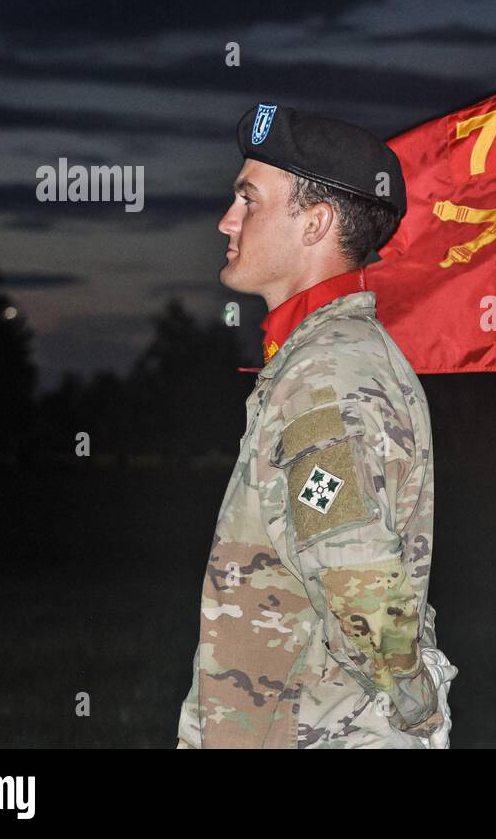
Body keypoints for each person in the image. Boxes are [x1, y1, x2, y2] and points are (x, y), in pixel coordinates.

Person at [176, 104, 455, 748]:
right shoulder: (321, 356)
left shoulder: (324, 373)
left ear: (317, 223)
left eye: (248, 201)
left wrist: (418, 712)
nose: (227, 220)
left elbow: (359, 584)